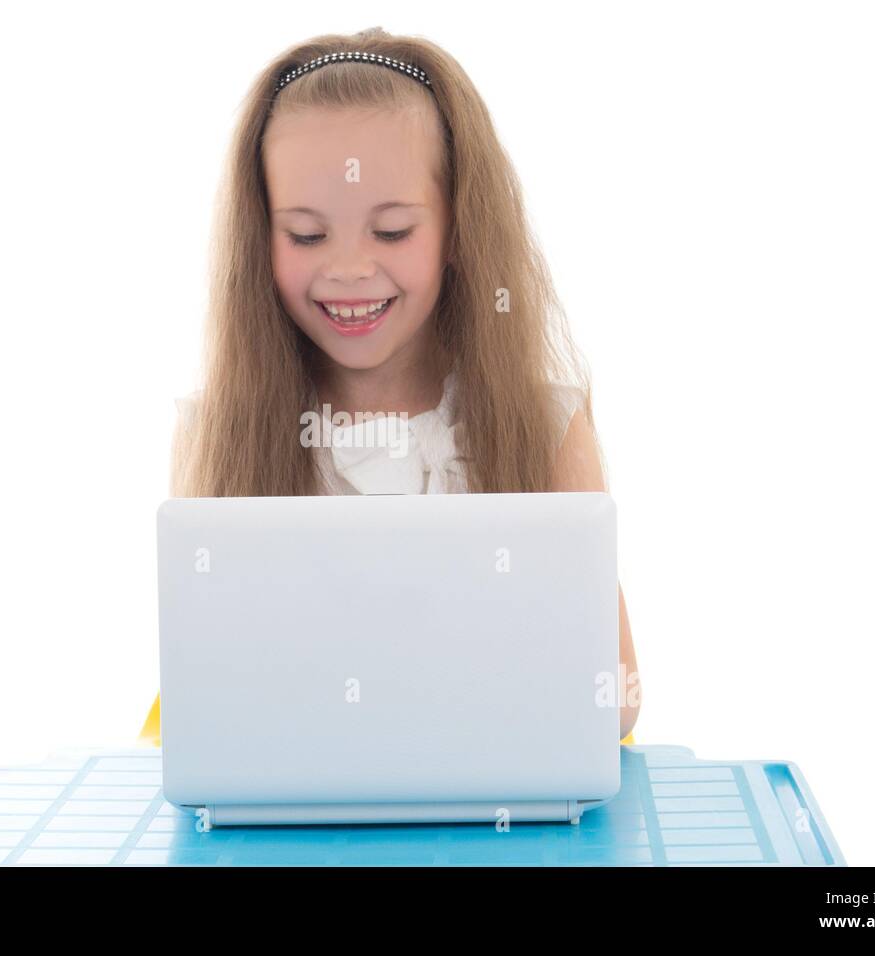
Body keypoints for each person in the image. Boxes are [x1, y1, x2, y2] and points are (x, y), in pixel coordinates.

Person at [148, 26, 641, 749]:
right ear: (261, 241)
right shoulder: (215, 431)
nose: (348, 269)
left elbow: (617, 698)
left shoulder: (546, 424)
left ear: (460, 232)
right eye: (307, 236)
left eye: (393, 230)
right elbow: (205, 694)